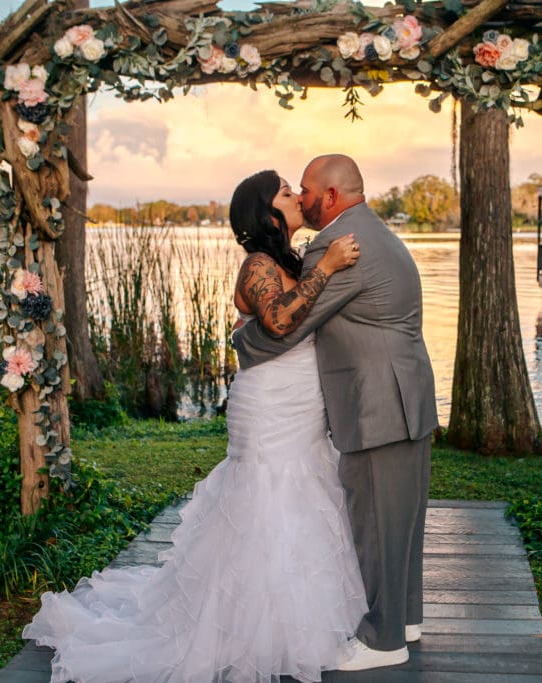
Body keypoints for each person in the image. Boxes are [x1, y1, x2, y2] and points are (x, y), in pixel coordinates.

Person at [22, 169, 368, 683]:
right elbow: (277, 320)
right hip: (270, 406)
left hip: (299, 403)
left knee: (304, 493)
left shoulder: (289, 260)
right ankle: (244, 627)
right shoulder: (258, 263)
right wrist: (330, 267)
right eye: (287, 193)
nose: (297, 197)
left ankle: (295, 621)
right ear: (267, 212)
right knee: (267, 497)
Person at [231, 154, 438, 672]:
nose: (299, 197)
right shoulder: (373, 232)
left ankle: (383, 640)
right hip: (403, 395)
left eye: (302, 189)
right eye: (287, 192)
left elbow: (292, 326)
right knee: (400, 520)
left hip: (379, 402)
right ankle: (405, 620)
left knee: (379, 523)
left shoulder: (338, 245)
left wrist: (243, 340)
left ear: (329, 197)